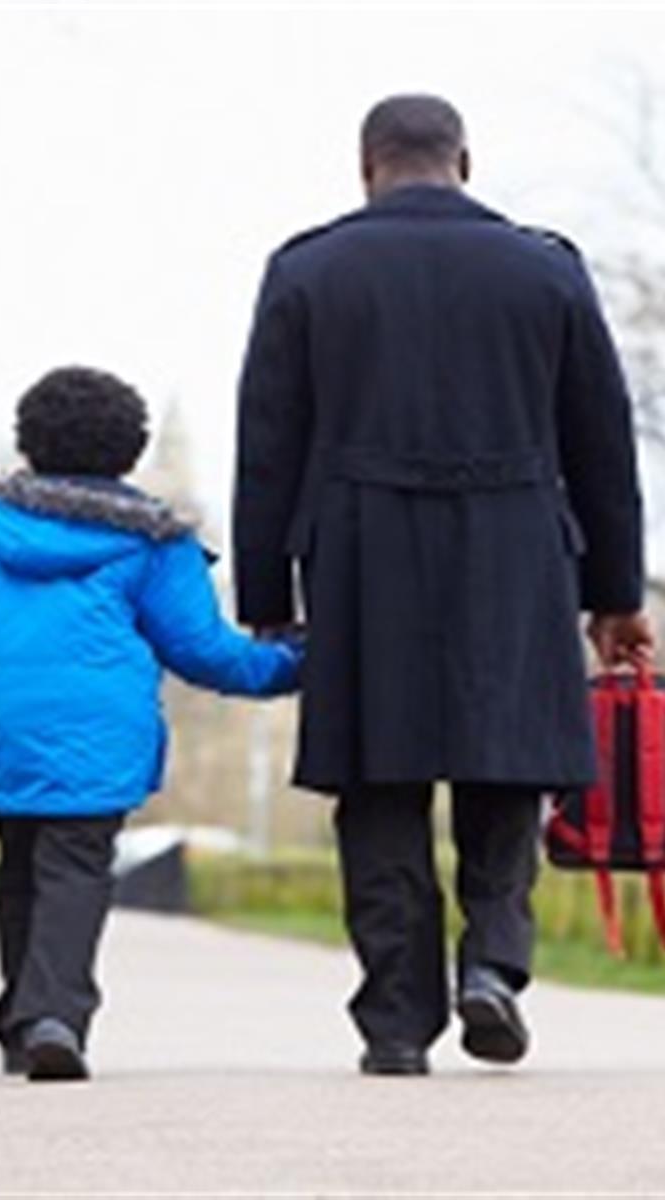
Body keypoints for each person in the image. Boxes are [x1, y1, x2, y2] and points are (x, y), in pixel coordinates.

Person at [233, 94, 653, 1076]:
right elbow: (602, 441)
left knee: (377, 787)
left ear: (365, 164)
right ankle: (493, 972)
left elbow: (268, 445)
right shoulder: (546, 267)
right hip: (516, 548)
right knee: (507, 771)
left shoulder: (307, 269)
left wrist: (266, 597)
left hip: (360, 554)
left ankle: (394, 1022)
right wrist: (616, 594)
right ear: (464, 158)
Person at [0, 366, 303, 1082]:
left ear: (28, 443)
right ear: (132, 449)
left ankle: (19, 1021)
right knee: (77, 863)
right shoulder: (152, 541)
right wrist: (300, 660)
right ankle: (55, 1014)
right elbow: (206, 654)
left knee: (20, 857)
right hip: (98, 728)